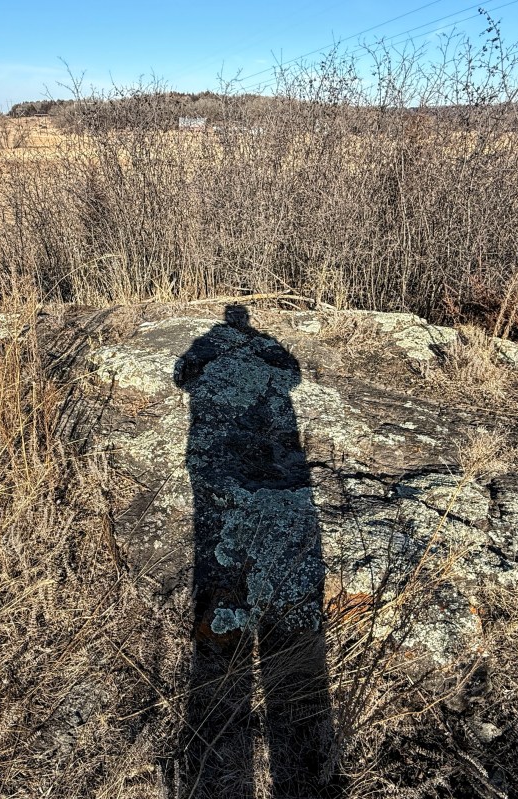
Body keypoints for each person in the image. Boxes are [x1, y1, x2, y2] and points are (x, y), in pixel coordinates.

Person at [174, 305, 340, 799]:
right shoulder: (262, 349)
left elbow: (184, 375)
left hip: (229, 454)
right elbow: (291, 373)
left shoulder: (208, 347)